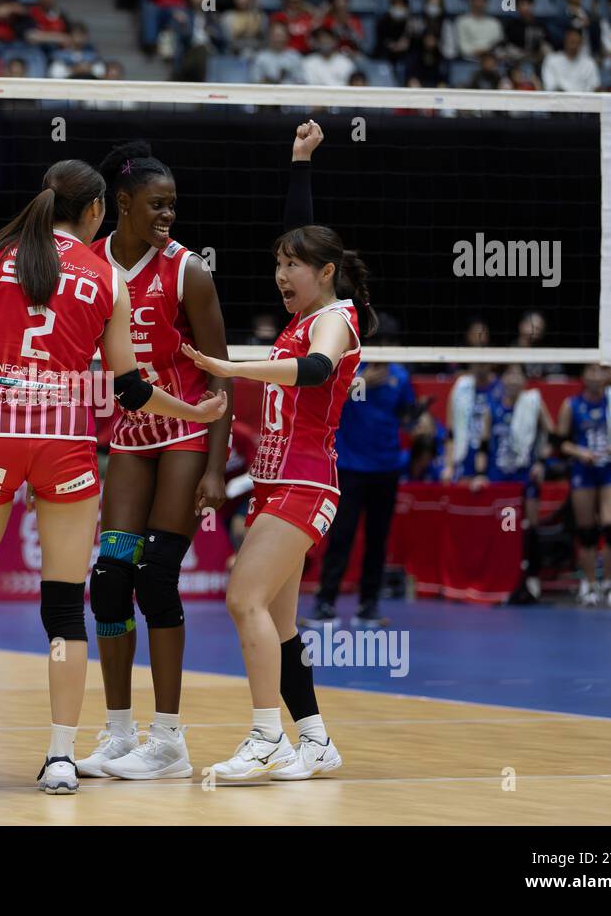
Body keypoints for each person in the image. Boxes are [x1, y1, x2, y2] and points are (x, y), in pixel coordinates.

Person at [0, 160, 227, 796]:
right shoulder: (106, 277)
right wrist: (193, 410)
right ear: (95, 211)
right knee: (65, 606)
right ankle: (62, 754)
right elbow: (130, 391)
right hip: (64, 447)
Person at [183, 121, 374, 783]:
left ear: (325, 273)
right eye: (276, 263)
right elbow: (301, 230)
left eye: (294, 264)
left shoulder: (334, 320)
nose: (281, 273)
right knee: (280, 622)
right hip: (272, 483)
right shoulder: (299, 315)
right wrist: (299, 163)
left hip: (306, 483)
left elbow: (317, 372)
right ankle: (316, 741)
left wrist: (233, 370)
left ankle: (267, 735)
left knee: (243, 599)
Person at [74, 141, 231, 782]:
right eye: (157, 205)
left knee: (156, 576)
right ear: (123, 204)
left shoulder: (188, 270)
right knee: (110, 577)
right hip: (133, 435)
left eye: (173, 205)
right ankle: (119, 733)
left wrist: (218, 469)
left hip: (189, 434)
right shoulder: (91, 264)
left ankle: (169, 741)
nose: (168, 215)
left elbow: (220, 377)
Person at [312, 318, 419, 625]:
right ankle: (325, 602)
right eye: (382, 342)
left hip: (386, 469)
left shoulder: (400, 375)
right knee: (341, 536)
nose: (388, 349)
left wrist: (418, 423)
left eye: (392, 344)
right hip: (351, 468)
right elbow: (327, 400)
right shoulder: (352, 368)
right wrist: (362, 384)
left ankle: (369, 604)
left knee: (378, 539)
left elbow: (407, 419)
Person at [473, 364, 555, 603]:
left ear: (524, 381)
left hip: (525, 476)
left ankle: (531, 577)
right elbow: (484, 446)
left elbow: (553, 435)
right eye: (509, 374)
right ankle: (502, 578)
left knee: (529, 526)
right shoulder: (493, 408)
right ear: (502, 380)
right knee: (502, 530)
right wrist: (480, 473)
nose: (513, 379)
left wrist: (540, 461)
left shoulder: (533, 405)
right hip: (499, 478)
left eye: (518, 374)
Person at [557, 364, 611, 608]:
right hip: (584, 469)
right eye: (590, 371)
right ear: (583, 376)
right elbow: (560, 442)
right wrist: (580, 452)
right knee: (587, 532)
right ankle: (589, 584)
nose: (595, 376)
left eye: (600, 371)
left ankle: (610, 583)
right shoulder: (571, 405)